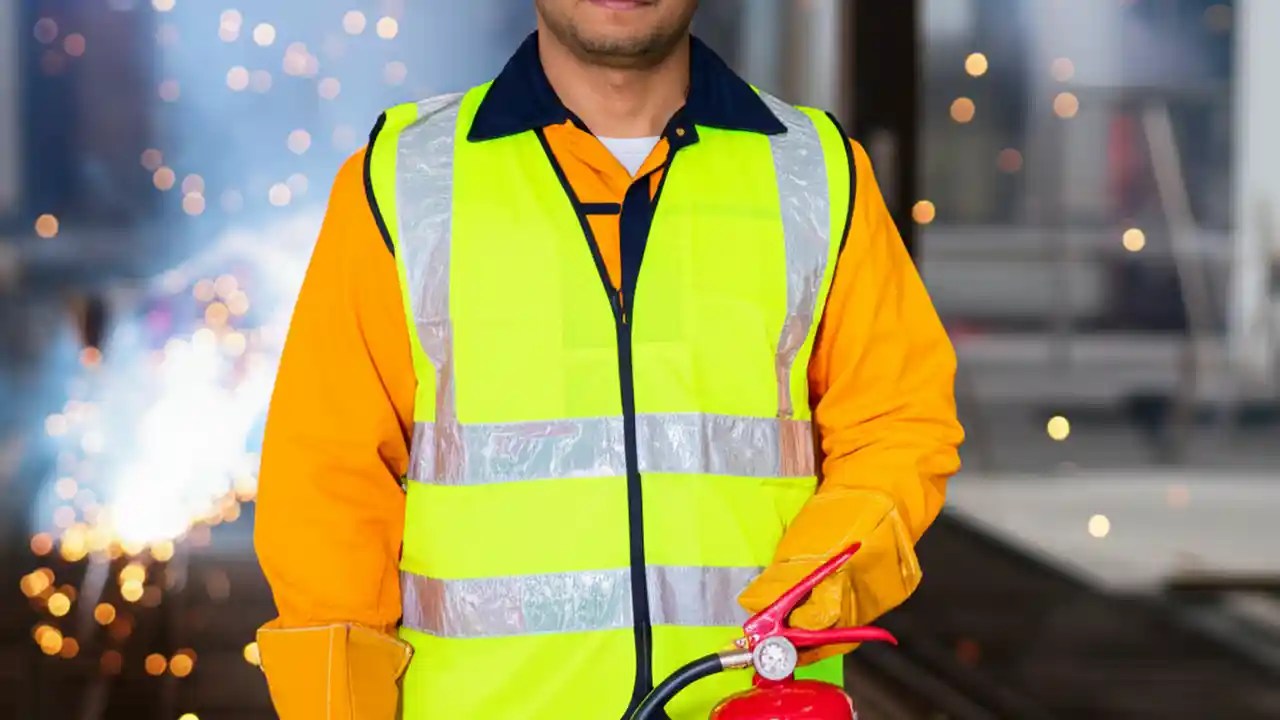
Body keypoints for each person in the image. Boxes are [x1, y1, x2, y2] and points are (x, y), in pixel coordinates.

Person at [253, 0, 964, 717]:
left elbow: (897, 426)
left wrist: (816, 586)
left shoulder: (818, 173)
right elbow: (327, 484)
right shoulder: (404, 178)